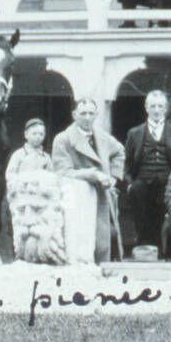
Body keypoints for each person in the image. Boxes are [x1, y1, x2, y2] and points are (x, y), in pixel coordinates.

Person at [51, 97, 125, 263]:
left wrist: (113, 176)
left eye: (91, 113)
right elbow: (63, 172)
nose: (87, 117)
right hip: (77, 200)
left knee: (103, 241)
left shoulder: (103, 138)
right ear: (74, 115)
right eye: (83, 113)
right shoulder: (63, 139)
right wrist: (92, 174)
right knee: (80, 245)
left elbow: (120, 152)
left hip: (102, 197)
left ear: (96, 115)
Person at [124, 90, 171, 256]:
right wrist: (130, 184)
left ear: (166, 108)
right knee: (142, 216)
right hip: (142, 184)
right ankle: (145, 252)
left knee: (165, 220)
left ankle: (167, 254)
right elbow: (127, 164)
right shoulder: (134, 133)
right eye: (153, 106)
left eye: (160, 106)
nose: (156, 110)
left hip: (167, 184)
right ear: (146, 108)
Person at [5, 118, 53, 183]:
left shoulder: (46, 157)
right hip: (21, 188)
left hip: (40, 189)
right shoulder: (18, 154)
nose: (38, 137)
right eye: (34, 134)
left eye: (41, 134)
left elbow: (51, 175)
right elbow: (9, 175)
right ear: (26, 135)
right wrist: (22, 179)